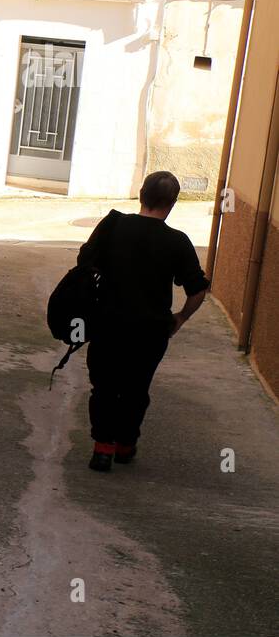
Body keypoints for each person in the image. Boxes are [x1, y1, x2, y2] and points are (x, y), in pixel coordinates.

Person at [78, 171, 209, 472]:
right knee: (136, 389)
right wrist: (181, 318)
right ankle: (125, 445)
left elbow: (84, 263)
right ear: (173, 203)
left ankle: (102, 449)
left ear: (141, 194)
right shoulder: (177, 242)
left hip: (108, 324)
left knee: (105, 387)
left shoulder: (112, 227)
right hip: (150, 331)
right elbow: (198, 289)